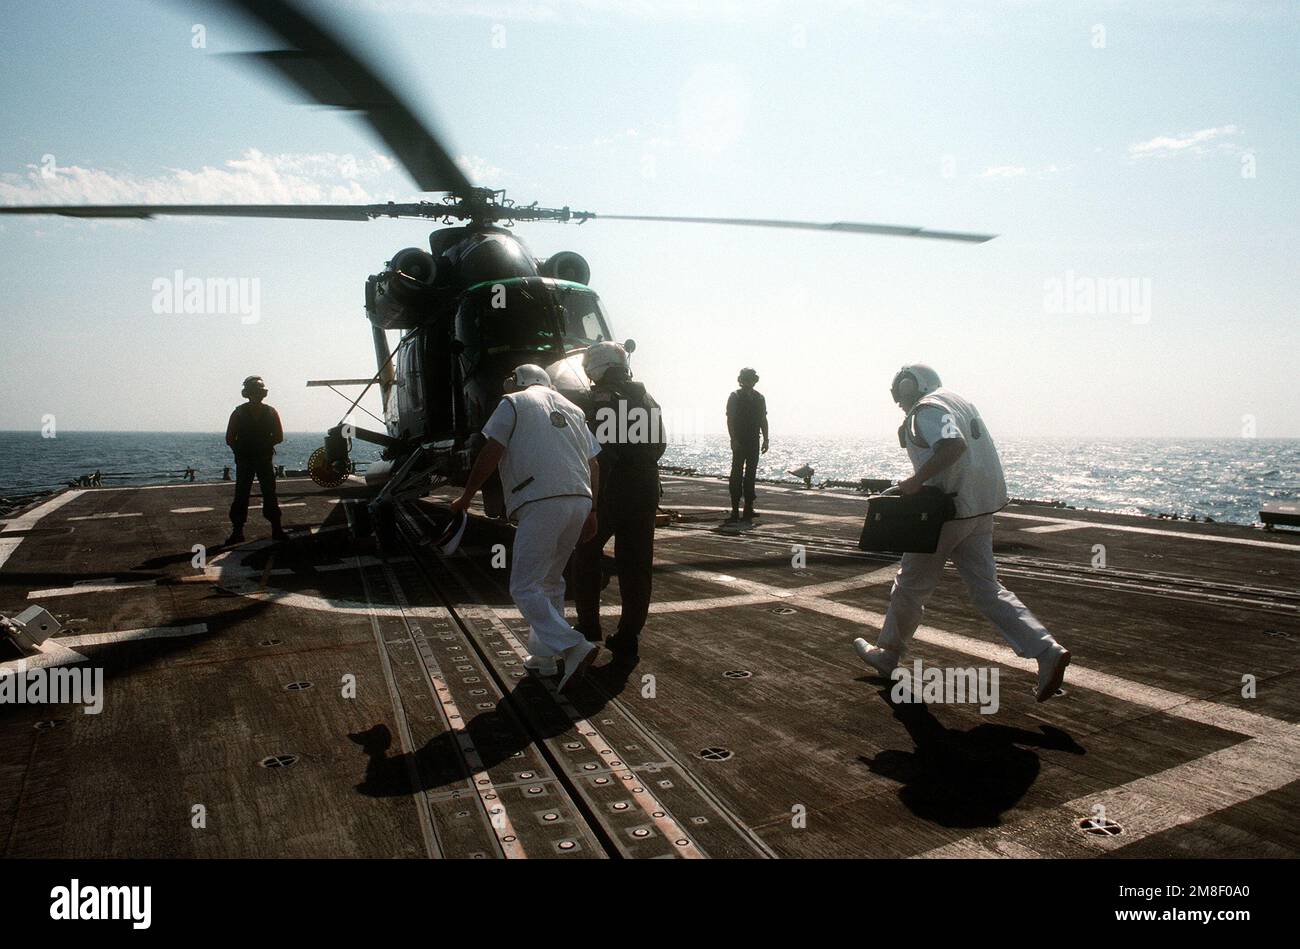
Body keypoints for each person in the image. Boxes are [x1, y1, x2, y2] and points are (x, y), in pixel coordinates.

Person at [852, 364, 1071, 702]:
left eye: (900, 395)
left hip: (946, 513)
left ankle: (888, 653)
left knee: (910, 586)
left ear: (911, 386)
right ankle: (1046, 650)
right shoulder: (957, 402)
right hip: (978, 510)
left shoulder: (928, 409)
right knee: (987, 589)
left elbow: (952, 446)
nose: (899, 402)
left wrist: (915, 481)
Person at [450, 364, 602, 692]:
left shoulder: (514, 403)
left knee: (523, 586)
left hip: (541, 499)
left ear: (519, 381)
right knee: (549, 582)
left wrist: (466, 496)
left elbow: (492, 450)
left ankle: (573, 646)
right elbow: (593, 463)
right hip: (578, 498)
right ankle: (543, 658)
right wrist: (592, 510)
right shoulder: (573, 409)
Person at [571, 342, 666, 662]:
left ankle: (587, 628)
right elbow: (660, 445)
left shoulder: (601, 400)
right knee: (637, 566)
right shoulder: (648, 400)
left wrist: (593, 504)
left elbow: (599, 455)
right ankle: (628, 636)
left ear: (596, 368)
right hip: (645, 491)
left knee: (585, 554)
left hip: (611, 490)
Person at [225, 375, 286, 545]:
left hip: (255, 459)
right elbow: (230, 438)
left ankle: (274, 528)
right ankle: (272, 529)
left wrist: (244, 449)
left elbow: (230, 439)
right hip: (254, 459)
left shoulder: (242, 413)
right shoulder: (266, 412)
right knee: (248, 494)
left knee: (262, 494)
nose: (257, 395)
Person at [726, 367, 769, 521]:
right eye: (747, 379)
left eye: (751, 379)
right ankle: (735, 508)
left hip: (753, 440)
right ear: (742, 380)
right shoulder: (735, 397)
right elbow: (730, 420)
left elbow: (763, 419)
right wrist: (733, 439)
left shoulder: (759, 398)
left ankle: (748, 506)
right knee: (736, 473)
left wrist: (766, 439)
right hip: (740, 439)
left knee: (751, 473)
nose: (749, 382)